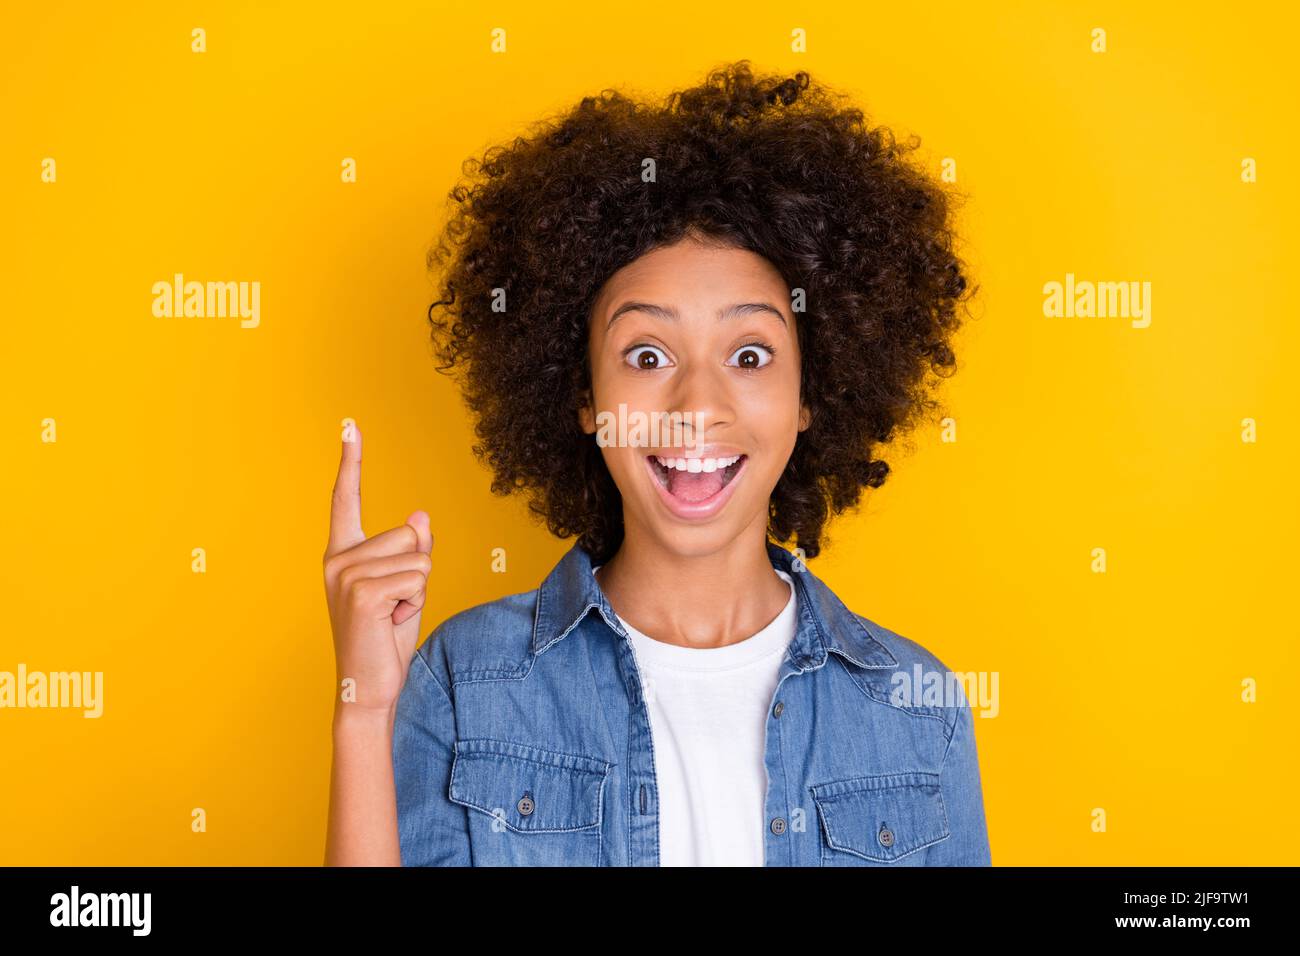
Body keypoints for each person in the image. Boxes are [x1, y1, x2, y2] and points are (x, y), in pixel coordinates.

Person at [323, 60, 990, 866]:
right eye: (646, 354)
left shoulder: (919, 708)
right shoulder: (464, 682)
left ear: (813, 395)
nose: (696, 407)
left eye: (749, 354)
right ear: (580, 395)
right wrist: (363, 712)